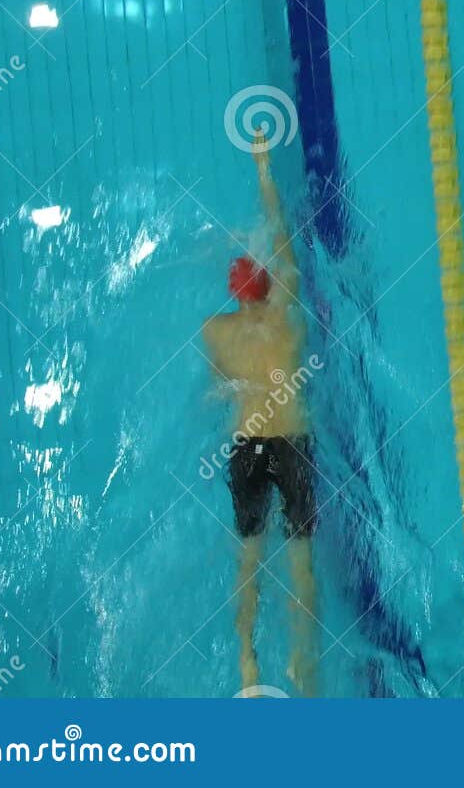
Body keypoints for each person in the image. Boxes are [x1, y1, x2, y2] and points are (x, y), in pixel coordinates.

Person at [201, 130, 319, 696]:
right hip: (292, 440)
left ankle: (247, 659)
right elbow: (286, 239)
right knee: (301, 560)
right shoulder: (284, 310)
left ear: (233, 293)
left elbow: (222, 387)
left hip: (246, 444)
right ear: (269, 287)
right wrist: (265, 170)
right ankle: (303, 662)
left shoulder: (215, 332)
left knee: (247, 559)